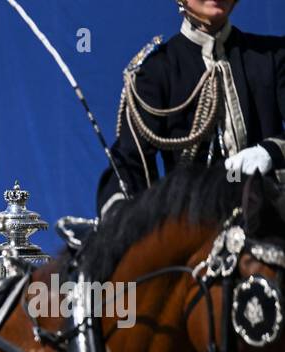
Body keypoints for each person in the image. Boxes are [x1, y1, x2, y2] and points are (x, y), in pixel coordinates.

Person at [97, 0, 285, 218]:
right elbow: (130, 161)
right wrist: (119, 214)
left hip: (271, 213)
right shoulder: (157, 71)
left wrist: (268, 152)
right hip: (195, 224)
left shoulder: (272, 56)